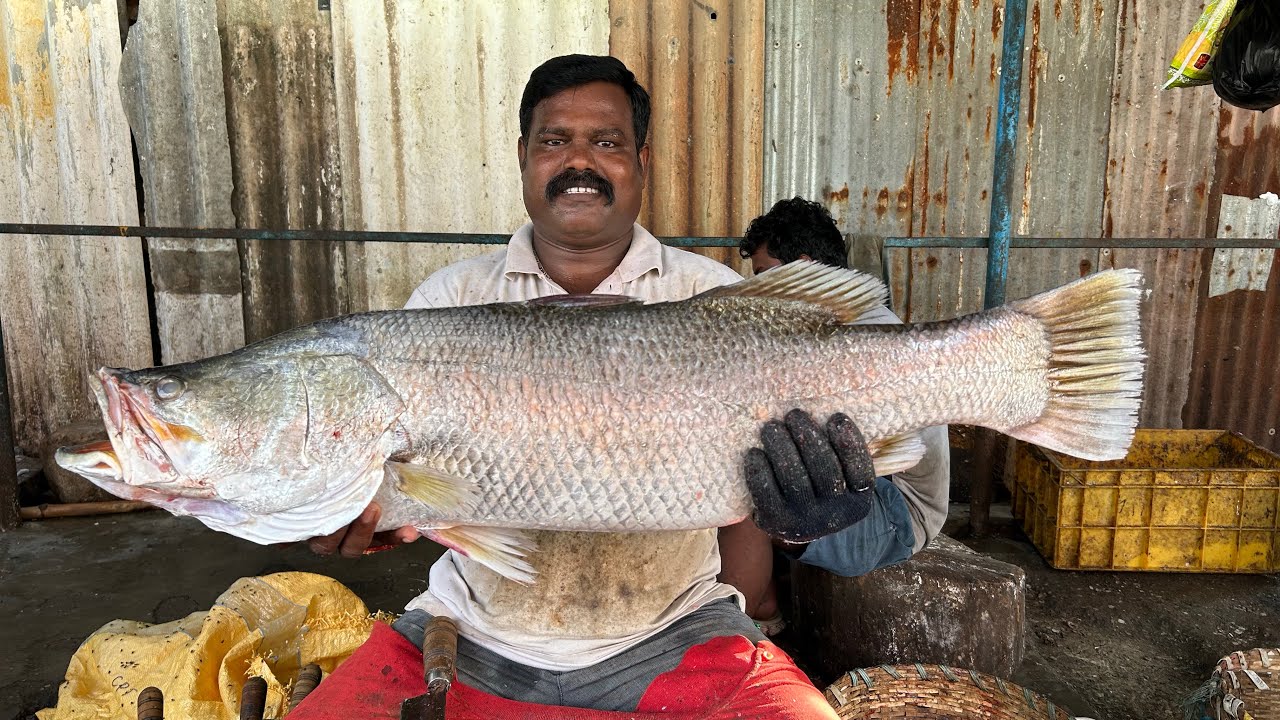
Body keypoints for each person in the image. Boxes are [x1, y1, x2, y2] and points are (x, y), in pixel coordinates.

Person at [296, 56, 891, 719]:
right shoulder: (450, 300)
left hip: (677, 629)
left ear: (639, 160)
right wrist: (353, 517)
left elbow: (753, 504)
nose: (579, 160)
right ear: (524, 156)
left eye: (605, 142)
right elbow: (410, 503)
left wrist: (796, 528)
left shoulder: (711, 295)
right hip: (468, 635)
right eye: (555, 141)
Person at [719, 196, 952, 634]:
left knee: (742, 489)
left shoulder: (860, 336)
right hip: (864, 491)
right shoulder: (828, 327)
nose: (759, 294)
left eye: (766, 278)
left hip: (895, 515)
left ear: (803, 269)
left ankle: (757, 616)